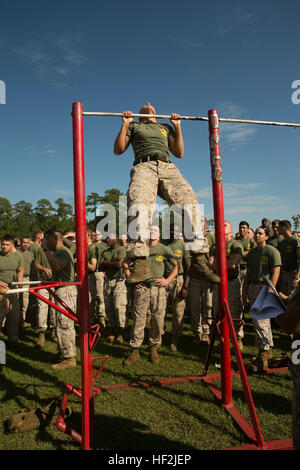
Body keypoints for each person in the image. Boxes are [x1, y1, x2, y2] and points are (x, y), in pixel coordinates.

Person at [113, 102, 220, 285]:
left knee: (190, 204)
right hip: (144, 166)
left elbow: (179, 153)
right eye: (144, 106)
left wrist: (177, 128)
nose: (148, 103)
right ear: (139, 115)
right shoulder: (134, 125)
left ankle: (199, 261)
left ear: (156, 113)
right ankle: (139, 264)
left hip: (168, 167)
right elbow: (118, 149)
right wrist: (125, 123)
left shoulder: (165, 126)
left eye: (151, 105)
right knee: (139, 206)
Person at [123, 225, 178, 366]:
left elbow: (176, 266)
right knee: (138, 318)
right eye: (150, 230)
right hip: (142, 289)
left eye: (155, 230)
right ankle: (135, 350)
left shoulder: (164, 249)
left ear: (159, 234)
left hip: (158, 289)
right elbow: (125, 264)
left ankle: (153, 348)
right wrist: (132, 279)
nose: (152, 233)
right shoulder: (140, 248)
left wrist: (167, 280)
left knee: (158, 319)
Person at [242, 226, 282, 372]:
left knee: (261, 321)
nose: (257, 235)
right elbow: (248, 273)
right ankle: (268, 352)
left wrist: (271, 290)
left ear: (266, 236)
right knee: (259, 321)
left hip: (265, 287)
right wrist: (244, 291)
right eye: (256, 233)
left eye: (261, 233)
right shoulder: (252, 253)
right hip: (253, 286)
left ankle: (262, 357)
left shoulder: (271, 251)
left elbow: (276, 271)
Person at [42, 229, 77, 370]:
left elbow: (57, 265)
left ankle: (70, 358)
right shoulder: (59, 252)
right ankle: (63, 353)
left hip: (66, 291)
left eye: (47, 239)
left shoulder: (62, 252)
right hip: (62, 289)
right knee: (59, 323)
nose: (45, 242)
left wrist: (45, 250)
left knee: (64, 323)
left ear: (55, 239)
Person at [211, 221, 244, 349]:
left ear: (231, 230)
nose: (221, 226)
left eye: (225, 225)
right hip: (218, 282)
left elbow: (232, 265)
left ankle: (237, 338)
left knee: (235, 311)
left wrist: (218, 265)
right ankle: (223, 338)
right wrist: (224, 263)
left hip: (231, 282)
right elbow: (210, 263)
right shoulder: (215, 246)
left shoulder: (236, 244)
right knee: (217, 311)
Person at [186, 218, 215, 344]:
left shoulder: (211, 237)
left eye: (202, 221)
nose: (200, 223)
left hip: (208, 276)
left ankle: (206, 332)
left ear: (206, 224)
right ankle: (197, 333)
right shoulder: (191, 238)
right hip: (195, 277)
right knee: (195, 306)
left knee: (207, 305)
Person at [164, 224, 191, 351]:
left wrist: (185, 286)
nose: (173, 231)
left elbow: (188, 266)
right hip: (164, 280)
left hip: (178, 280)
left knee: (178, 311)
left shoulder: (183, 245)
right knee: (160, 310)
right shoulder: (163, 245)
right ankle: (159, 335)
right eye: (171, 229)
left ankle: (175, 338)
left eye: (175, 229)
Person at [99, 233, 127, 344]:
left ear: (115, 238)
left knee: (119, 306)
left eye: (108, 238)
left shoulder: (121, 250)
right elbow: (101, 266)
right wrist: (110, 264)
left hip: (119, 280)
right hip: (108, 280)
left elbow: (119, 265)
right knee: (108, 306)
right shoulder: (106, 252)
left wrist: (107, 264)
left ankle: (121, 332)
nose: (106, 240)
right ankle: (111, 330)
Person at [0, 235, 24, 343]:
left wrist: (19, 283)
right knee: (1, 312)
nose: (4, 247)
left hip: (13, 288)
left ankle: (13, 339)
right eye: (2, 244)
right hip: (1, 289)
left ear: (11, 245)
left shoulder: (18, 256)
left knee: (14, 314)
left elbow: (20, 269)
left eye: (6, 245)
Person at [277, 220, 300, 297]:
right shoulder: (282, 242)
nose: (277, 229)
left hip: (293, 273)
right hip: (284, 273)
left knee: (291, 297)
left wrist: (297, 276)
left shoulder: (295, 241)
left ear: (284, 228)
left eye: (279, 227)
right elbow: (280, 260)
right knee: (282, 297)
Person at [19, 236, 34, 328]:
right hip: (16, 279)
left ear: (29, 244)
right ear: (20, 243)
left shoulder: (31, 254)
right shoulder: (16, 253)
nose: (25, 244)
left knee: (25, 302)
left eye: (27, 242)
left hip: (26, 279)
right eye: (23, 242)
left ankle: (22, 321)